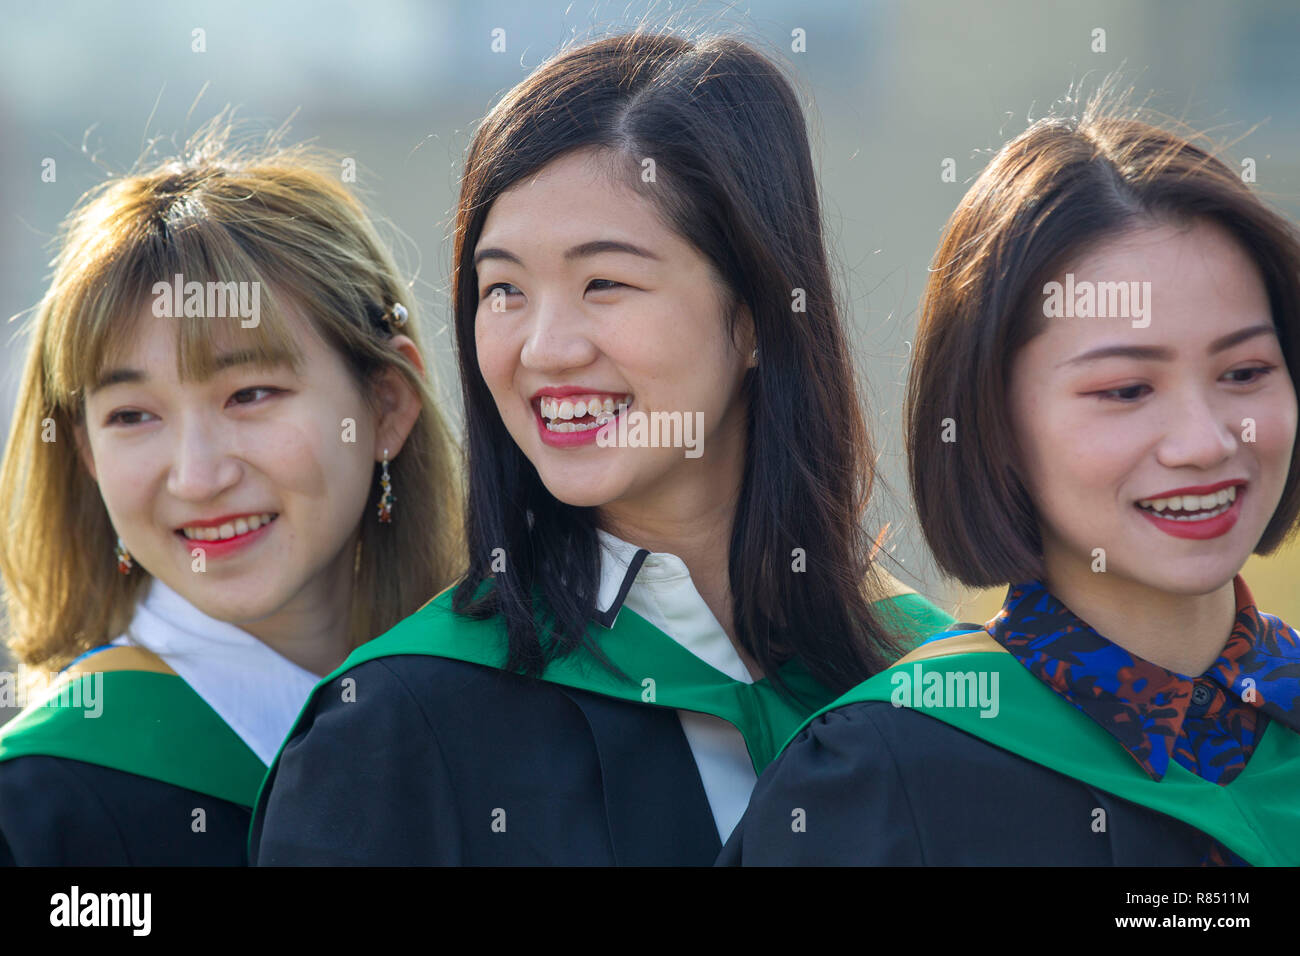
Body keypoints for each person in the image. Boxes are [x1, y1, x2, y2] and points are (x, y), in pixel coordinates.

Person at [251, 30, 953, 866]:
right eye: (503, 288)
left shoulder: (926, 688)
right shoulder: (396, 730)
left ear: (761, 312)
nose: (545, 348)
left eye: (605, 283)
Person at [720, 91, 1300, 866]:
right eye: (1126, 390)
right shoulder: (885, 781)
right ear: (992, 423)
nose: (1204, 441)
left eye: (1245, 371)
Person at [0, 118, 464, 865]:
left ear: (386, 405)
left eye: (250, 393)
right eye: (132, 415)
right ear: (85, 453)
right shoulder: (38, 812)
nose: (197, 475)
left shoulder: (519, 728)